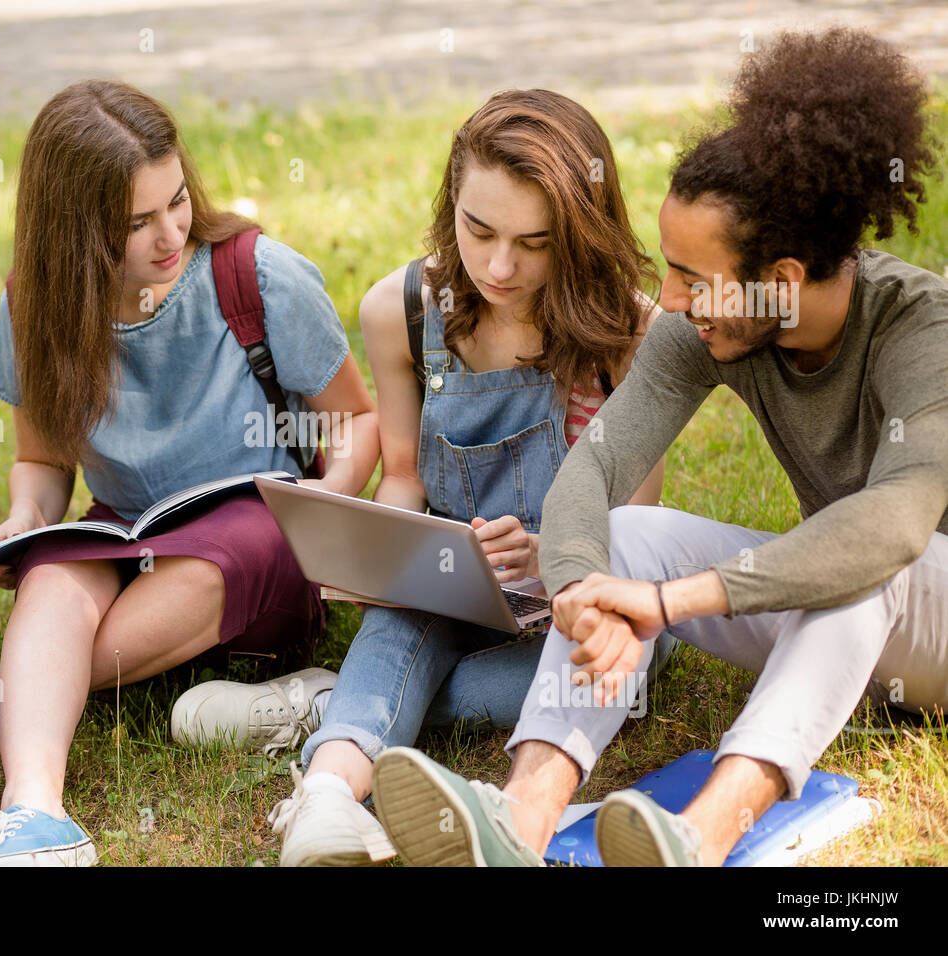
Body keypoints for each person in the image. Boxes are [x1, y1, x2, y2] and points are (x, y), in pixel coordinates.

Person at [369, 26, 948, 867]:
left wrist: (672, 606)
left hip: (922, 597)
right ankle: (520, 817)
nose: (668, 300)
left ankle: (702, 835)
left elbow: (893, 528)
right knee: (628, 540)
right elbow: (595, 469)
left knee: (861, 566)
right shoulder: (708, 324)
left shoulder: (921, 328)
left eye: (692, 278)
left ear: (779, 282)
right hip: (855, 623)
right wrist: (578, 590)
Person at [213, 88, 672, 866]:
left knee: (617, 677)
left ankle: (336, 703)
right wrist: (381, 552)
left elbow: (638, 522)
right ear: (449, 203)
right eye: (479, 229)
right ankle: (323, 803)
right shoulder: (404, 311)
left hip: (579, 608)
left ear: (582, 231)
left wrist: (552, 549)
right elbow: (401, 478)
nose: (499, 265)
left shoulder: (631, 330)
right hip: (453, 591)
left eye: (535, 242)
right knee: (401, 624)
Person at [0, 80, 379, 867]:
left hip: (260, 535)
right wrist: (26, 518)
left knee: (228, 545)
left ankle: (18, 688)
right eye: (136, 221)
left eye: (177, 201)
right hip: (129, 528)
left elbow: (354, 422)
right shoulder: (36, 304)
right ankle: (33, 814)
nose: (169, 233)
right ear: (73, 230)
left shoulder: (256, 275)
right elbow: (42, 458)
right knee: (54, 573)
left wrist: (328, 504)